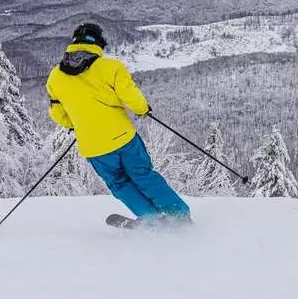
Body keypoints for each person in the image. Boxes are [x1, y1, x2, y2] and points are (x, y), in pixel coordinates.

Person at [47, 22, 191, 223]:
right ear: (98, 43)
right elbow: (131, 96)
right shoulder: (111, 67)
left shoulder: (55, 76)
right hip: (123, 138)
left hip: (93, 147)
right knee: (143, 175)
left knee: (120, 184)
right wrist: (142, 110)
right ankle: (180, 216)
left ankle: (152, 220)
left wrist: (75, 124)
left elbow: (56, 112)